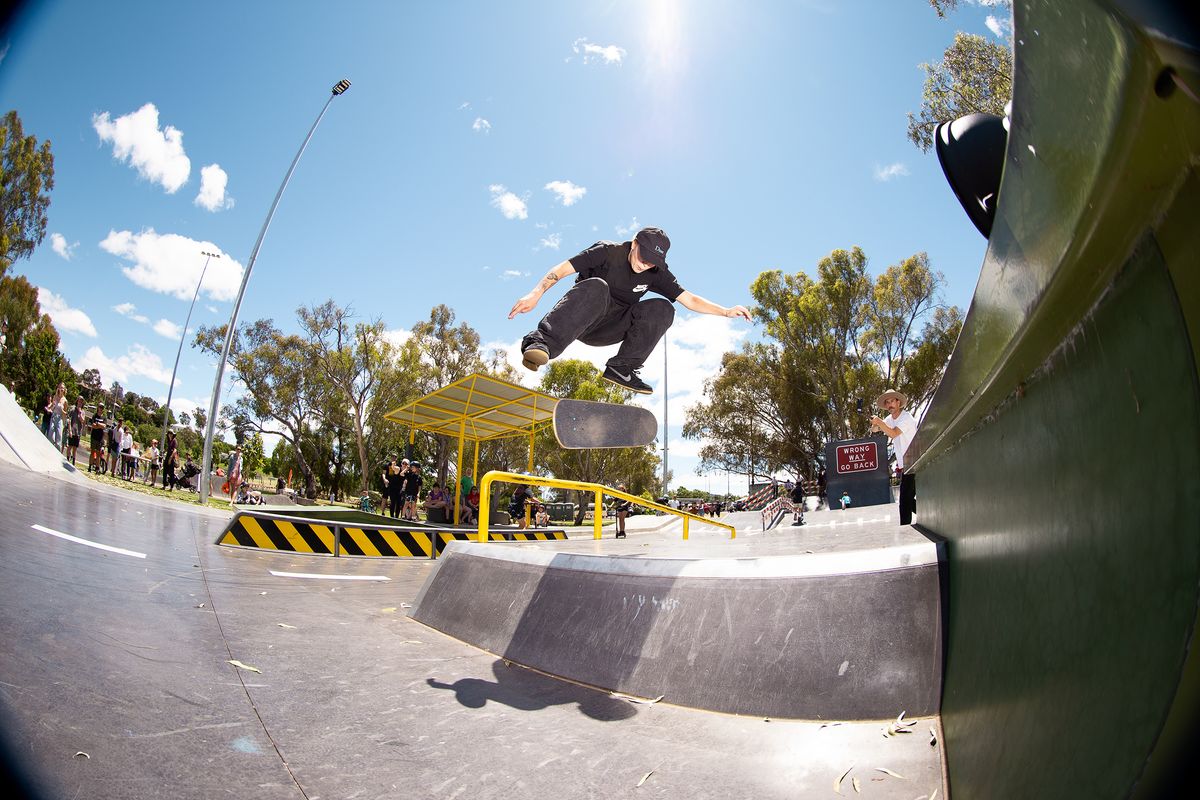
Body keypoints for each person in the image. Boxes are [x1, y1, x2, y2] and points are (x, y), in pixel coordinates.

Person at [508, 227, 752, 394]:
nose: (644, 264)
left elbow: (690, 300)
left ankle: (621, 368)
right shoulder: (607, 251)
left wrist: (726, 311)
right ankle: (540, 343)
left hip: (610, 329)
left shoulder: (655, 272)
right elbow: (562, 269)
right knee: (597, 287)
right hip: (581, 317)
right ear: (633, 244)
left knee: (663, 308)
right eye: (642, 256)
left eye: (650, 262)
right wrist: (536, 293)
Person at [870, 388, 918, 526]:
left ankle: (904, 528)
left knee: (904, 501)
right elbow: (876, 430)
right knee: (907, 499)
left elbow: (893, 433)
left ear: (898, 402)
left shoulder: (906, 418)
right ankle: (931, 512)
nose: (889, 405)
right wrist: (875, 424)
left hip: (914, 462)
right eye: (887, 402)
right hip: (905, 465)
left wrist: (880, 423)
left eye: (892, 401)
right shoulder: (890, 419)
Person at [65, 396, 85, 465]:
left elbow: (82, 420)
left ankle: (73, 461)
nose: (80, 403)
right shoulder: (72, 410)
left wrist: (80, 413)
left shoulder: (82, 412)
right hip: (72, 431)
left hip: (78, 432)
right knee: (69, 446)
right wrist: (70, 430)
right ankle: (67, 460)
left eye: (81, 402)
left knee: (75, 448)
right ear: (77, 401)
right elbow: (69, 420)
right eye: (79, 401)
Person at [87, 402, 107, 473]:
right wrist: (99, 426)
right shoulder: (94, 416)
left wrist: (98, 424)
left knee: (98, 454)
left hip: (100, 438)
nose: (101, 409)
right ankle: (90, 466)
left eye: (102, 407)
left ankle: (97, 468)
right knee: (92, 452)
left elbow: (104, 426)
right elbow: (93, 425)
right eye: (100, 407)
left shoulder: (104, 417)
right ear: (98, 408)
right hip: (94, 436)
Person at [48, 383, 67, 450]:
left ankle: (57, 452)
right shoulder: (55, 397)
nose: (61, 389)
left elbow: (65, 413)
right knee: (50, 436)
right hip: (53, 416)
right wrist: (49, 408)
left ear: (64, 390)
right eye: (60, 387)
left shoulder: (65, 400)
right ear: (58, 388)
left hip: (60, 418)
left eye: (62, 388)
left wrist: (62, 411)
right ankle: (50, 450)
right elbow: (53, 406)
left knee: (59, 438)